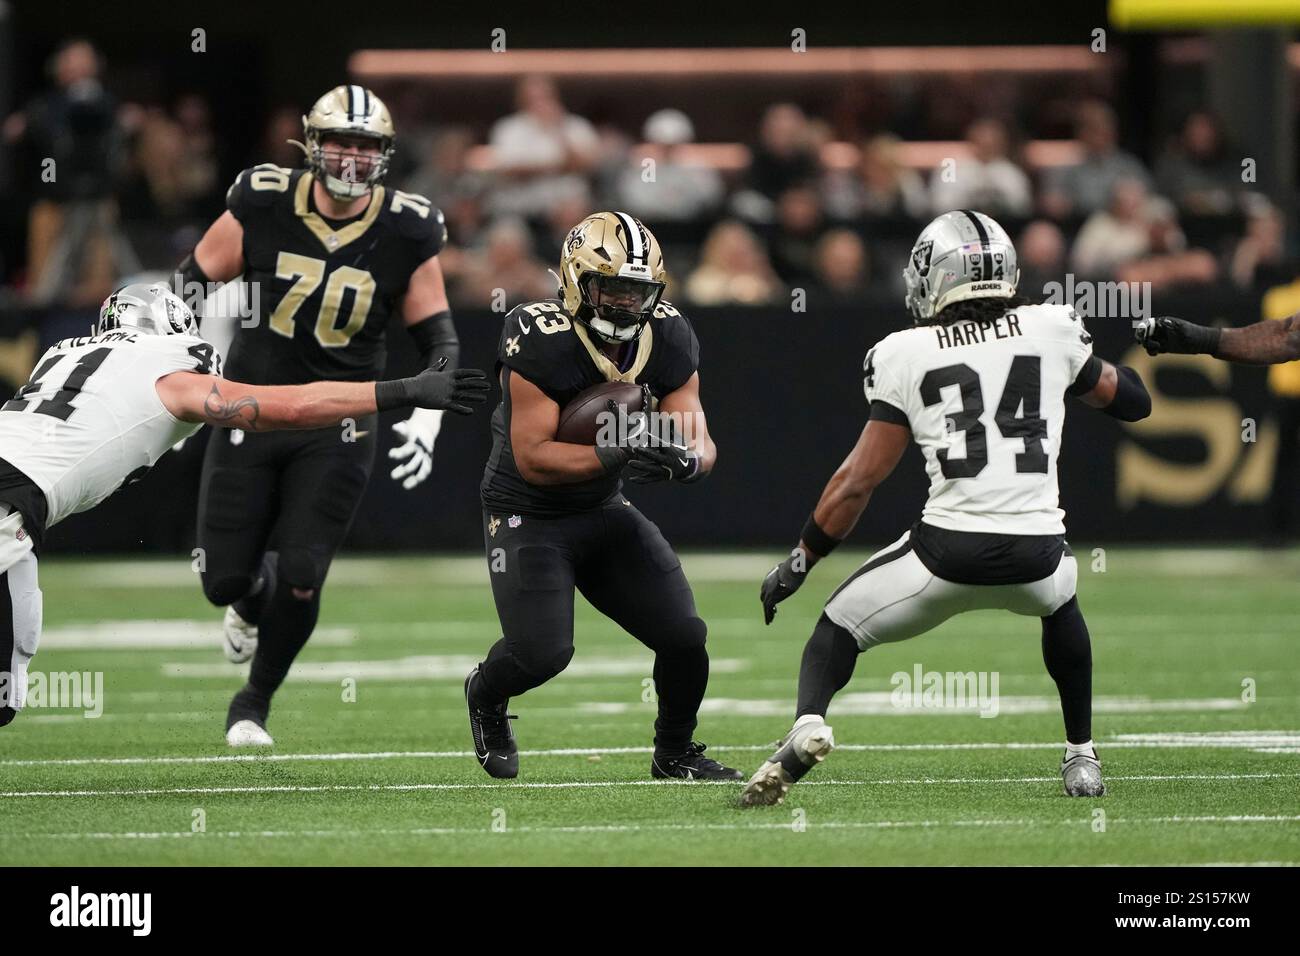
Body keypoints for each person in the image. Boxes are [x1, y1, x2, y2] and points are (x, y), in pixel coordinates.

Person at [742, 211, 1152, 807]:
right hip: (1038, 558)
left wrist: (802, 559)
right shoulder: (1052, 327)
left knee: (837, 626)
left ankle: (807, 724)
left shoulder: (905, 352)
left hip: (944, 556)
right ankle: (1081, 756)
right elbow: (1132, 402)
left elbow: (858, 481)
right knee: (1063, 600)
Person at [0, 283, 487, 728]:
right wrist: (404, 390)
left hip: (19, 499)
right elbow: (291, 408)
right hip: (12, 497)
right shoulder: (167, 370)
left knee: (10, 677)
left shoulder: (61, 357)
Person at [178, 85, 463, 746]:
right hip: (251, 406)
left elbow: (441, 341)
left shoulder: (407, 227)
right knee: (225, 580)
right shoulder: (262, 199)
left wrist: (427, 414)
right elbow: (188, 283)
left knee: (303, 574)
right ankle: (250, 598)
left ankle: (253, 703)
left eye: (365, 146)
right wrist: (175, 365)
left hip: (339, 422)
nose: (351, 157)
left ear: (386, 154)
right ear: (312, 143)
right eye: (340, 141)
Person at [466, 211, 740, 782]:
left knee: (685, 636)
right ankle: (486, 695)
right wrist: (616, 455)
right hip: (527, 512)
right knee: (542, 654)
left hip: (601, 508)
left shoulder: (668, 333)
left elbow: (698, 435)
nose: (622, 302)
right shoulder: (539, 338)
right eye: (610, 287)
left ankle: (675, 753)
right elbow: (535, 458)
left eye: (636, 290)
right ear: (575, 280)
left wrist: (689, 463)